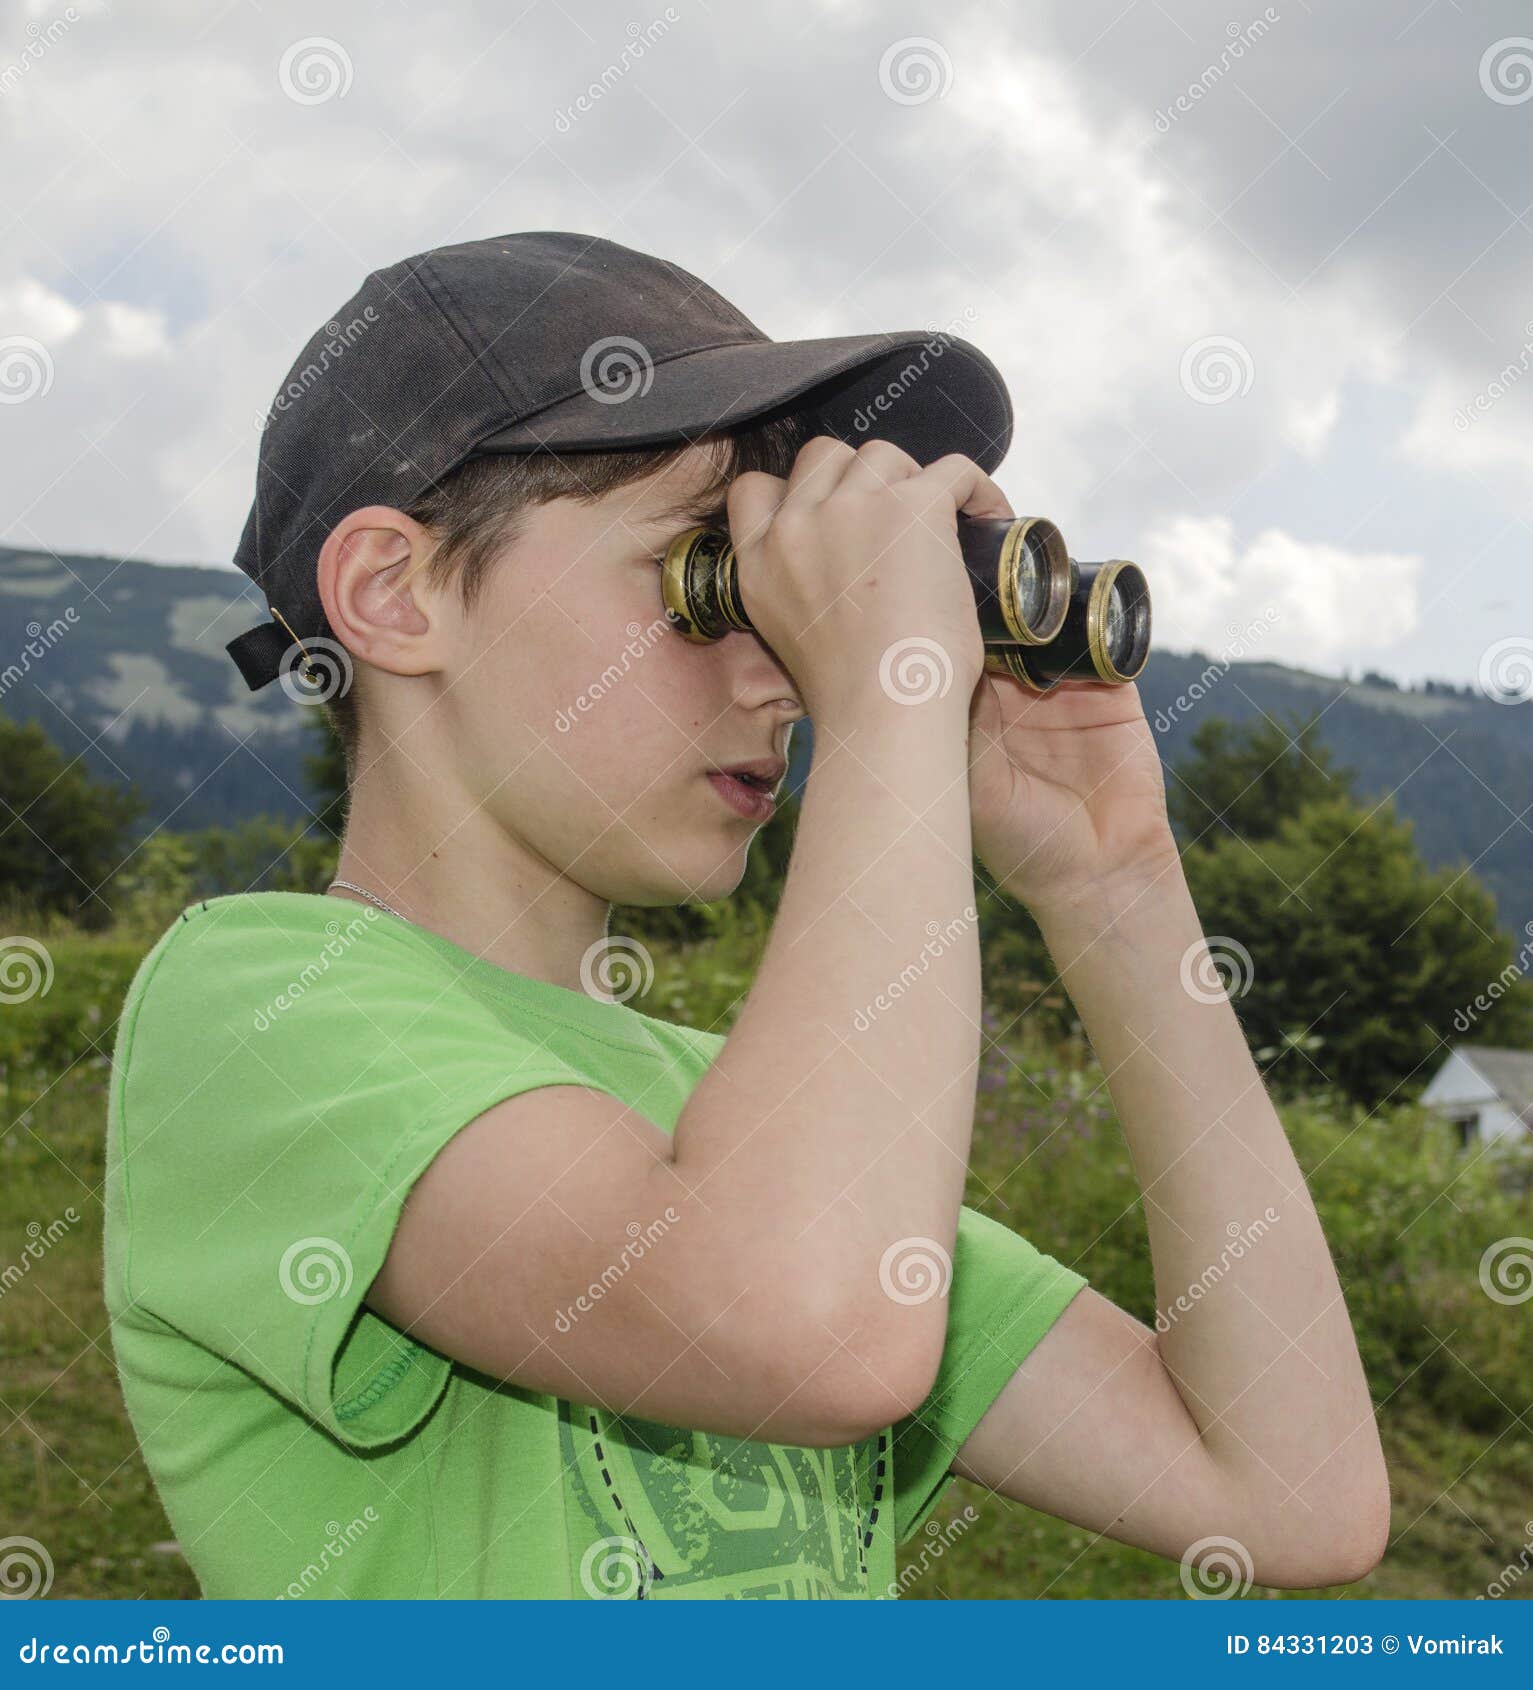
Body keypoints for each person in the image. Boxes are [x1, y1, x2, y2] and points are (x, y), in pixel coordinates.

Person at [103, 232, 1389, 1600]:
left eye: (798, 602)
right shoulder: (257, 1007)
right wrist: (893, 697)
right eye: (706, 579)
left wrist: (1112, 883)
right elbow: (814, 1325)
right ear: (393, 592)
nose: (790, 682)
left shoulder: (736, 1114)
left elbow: (1287, 1498)